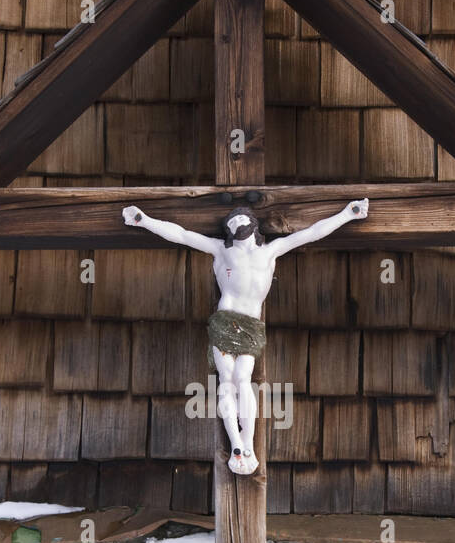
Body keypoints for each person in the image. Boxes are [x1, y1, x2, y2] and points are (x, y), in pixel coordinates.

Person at [123, 198, 370, 474]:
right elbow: (181, 234)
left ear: (254, 226)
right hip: (225, 322)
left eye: (242, 219)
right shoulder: (220, 250)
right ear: (228, 231)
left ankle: (247, 443)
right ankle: (237, 444)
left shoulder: (271, 250)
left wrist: (347, 215)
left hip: (251, 325)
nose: (237, 222)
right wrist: (144, 221)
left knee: (243, 379)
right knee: (228, 380)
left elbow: (311, 232)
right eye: (232, 222)